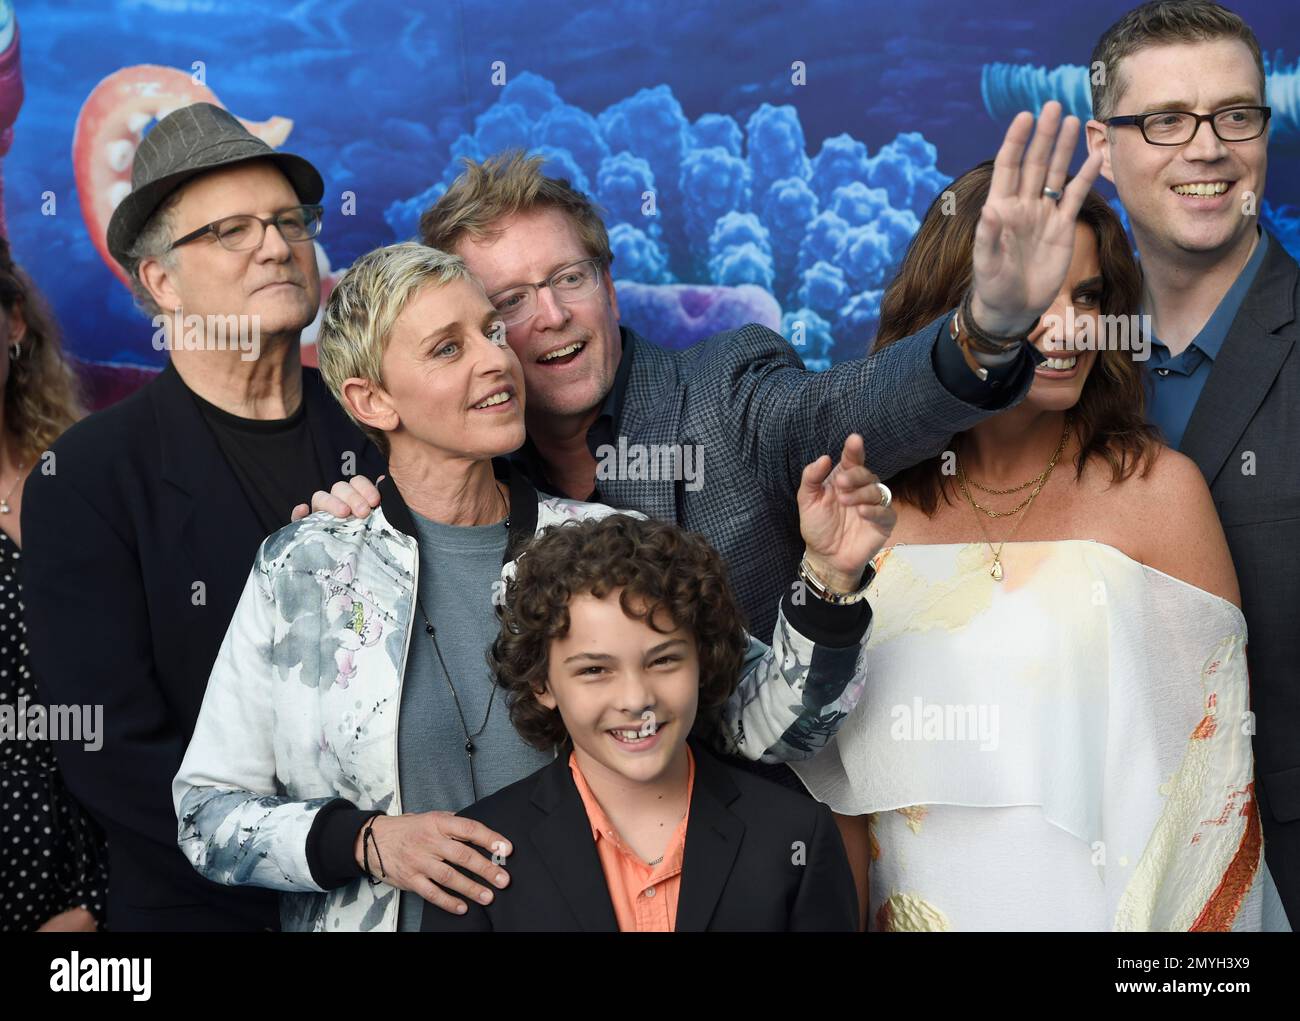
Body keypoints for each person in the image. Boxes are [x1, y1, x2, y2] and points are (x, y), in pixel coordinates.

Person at [305, 102, 1101, 791]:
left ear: (610, 287)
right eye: (509, 301)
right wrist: (375, 515)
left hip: (762, 840)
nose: (550, 315)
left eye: (570, 278)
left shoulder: (726, 385)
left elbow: (846, 408)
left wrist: (986, 330)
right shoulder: (469, 477)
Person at [172, 241, 893, 932]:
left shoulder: (597, 543)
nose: (497, 358)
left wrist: (828, 580)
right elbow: (204, 818)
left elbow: (775, 726)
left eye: (491, 330)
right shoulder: (301, 568)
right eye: (449, 347)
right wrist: (365, 840)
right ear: (372, 399)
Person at [791, 159, 1265, 931]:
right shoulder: (866, 516)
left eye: (1087, 297)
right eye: (1039, 297)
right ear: (958, 308)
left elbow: (1212, 788)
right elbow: (838, 792)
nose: (1072, 327)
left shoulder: (1159, 494)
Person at [20, 103, 385, 931]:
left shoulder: (385, 430)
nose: (275, 245)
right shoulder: (86, 480)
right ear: (160, 281)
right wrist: (331, 848)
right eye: (230, 230)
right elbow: (111, 755)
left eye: (289, 221)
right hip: (208, 911)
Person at [1081, 0, 1299, 930]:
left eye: (1236, 116)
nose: (1206, 149)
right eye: (1166, 121)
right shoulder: (1064, 367)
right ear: (1102, 147)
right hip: (1095, 873)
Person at [423, 514, 860, 932]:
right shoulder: (478, 856)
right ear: (542, 683)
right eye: (595, 670)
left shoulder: (795, 835)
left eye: (664, 660)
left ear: (703, 661)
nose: (636, 700)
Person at [0, 237, 107, 932]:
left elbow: (170, 701)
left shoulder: (92, 477)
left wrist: (101, 901)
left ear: (14, 325)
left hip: (126, 888)